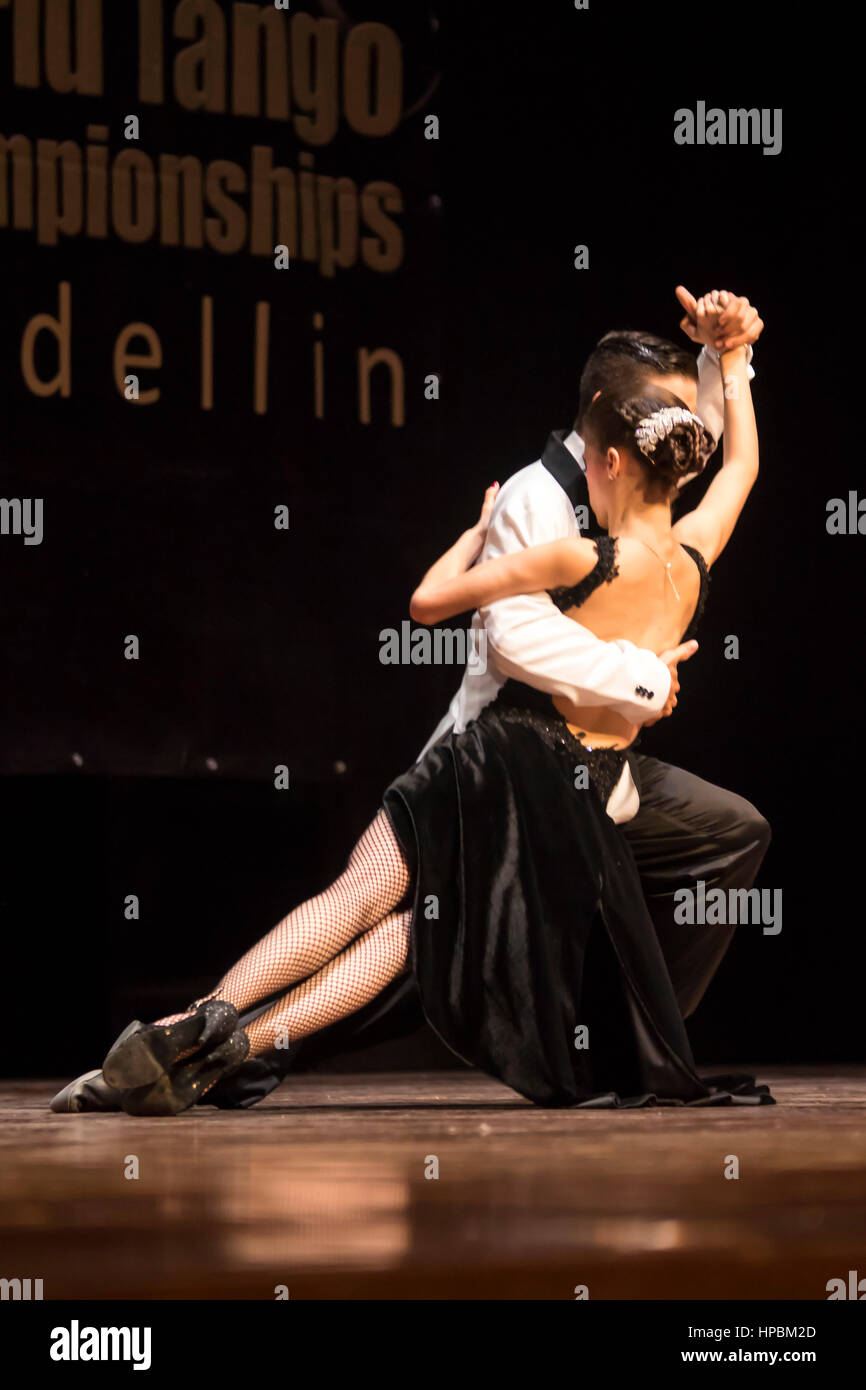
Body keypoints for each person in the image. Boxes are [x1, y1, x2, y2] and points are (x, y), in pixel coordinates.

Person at [51, 294, 772, 1113]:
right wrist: (646, 676)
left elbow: (432, 602)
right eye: (679, 418)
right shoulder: (571, 513)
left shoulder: (591, 541)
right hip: (513, 761)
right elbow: (512, 635)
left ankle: (201, 1039)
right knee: (397, 935)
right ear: (624, 432)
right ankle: (213, 1040)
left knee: (387, 923)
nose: (693, 436)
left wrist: (724, 358)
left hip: (531, 765)